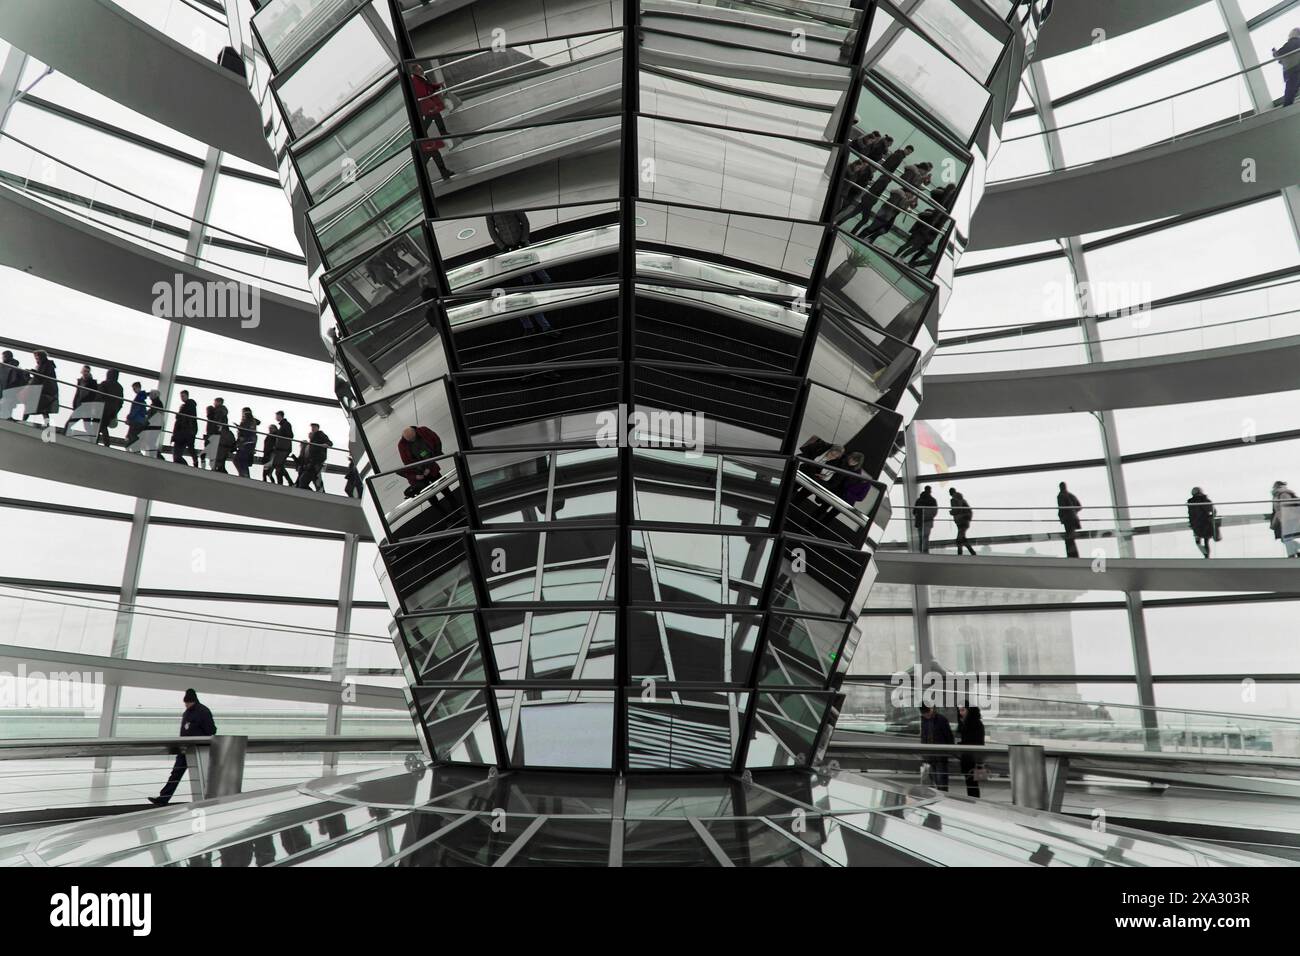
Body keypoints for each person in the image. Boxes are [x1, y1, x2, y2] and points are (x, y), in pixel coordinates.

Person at [148, 689, 217, 806]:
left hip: (198, 750)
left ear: (193, 701)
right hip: (185, 749)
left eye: (188, 703)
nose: (186, 705)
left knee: (202, 776)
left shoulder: (204, 712)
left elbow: (212, 730)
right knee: (175, 773)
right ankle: (163, 799)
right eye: (185, 703)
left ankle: (211, 799)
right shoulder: (187, 712)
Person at [397, 425, 443, 495]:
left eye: (413, 438)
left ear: (415, 432)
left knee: (442, 486)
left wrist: (429, 467)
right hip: (419, 472)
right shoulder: (401, 445)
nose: (412, 440)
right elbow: (406, 462)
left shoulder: (424, 431)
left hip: (431, 467)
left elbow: (436, 442)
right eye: (409, 440)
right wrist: (416, 475)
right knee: (428, 495)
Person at [919, 703, 953, 791]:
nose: (926, 715)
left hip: (940, 756)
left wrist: (948, 752)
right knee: (932, 782)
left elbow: (949, 737)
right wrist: (924, 755)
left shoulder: (941, 720)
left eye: (927, 713)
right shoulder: (924, 720)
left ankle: (943, 801)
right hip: (929, 757)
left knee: (941, 782)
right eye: (924, 714)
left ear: (931, 709)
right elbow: (923, 738)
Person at [957, 703, 986, 798]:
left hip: (972, 758)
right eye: (959, 710)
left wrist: (960, 744)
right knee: (971, 783)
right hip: (970, 757)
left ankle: (974, 801)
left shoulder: (974, 724)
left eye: (962, 710)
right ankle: (973, 801)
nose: (960, 713)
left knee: (972, 783)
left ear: (969, 710)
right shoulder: (967, 723)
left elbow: (973, 741)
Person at [24, 350, 59, 427]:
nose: (36, 358)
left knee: (33, 406)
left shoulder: (47, 364)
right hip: (43, 390)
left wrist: (32, 371)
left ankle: (23, 420)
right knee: (42, 408)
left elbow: (42, 376)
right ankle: (47, 424)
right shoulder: (43, 365)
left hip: (46, 390)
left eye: (37, 356)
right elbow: (39, 377)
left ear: (41, 356)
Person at [296, 423, 332, 491]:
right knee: (305, 481)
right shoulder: (312, 441)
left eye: (314, 427)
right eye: (312, 427)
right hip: (311, 463)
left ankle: (314, 494)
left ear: (317, 428)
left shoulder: (320, 434)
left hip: (315, 462)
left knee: (304, 481)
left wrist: (326, 444)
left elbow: (330, 443)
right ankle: (314, 493)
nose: (312, 428)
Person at [65, 365, 99, 435]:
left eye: (87, 372)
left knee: (85, 426)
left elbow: (92, 396)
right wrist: (74, 404)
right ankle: (64, 435)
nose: (86, 373)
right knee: (72, 423)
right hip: (80, 406)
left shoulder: (93, 383)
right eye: (85, 371)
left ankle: (92, 440)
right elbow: (77, 393)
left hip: (86, 407)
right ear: (82, 372)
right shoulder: (80, 381)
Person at [1271, 480, 1300, 557]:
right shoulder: (1278, 494)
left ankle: (1292, 554)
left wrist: (1284, 520)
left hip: (1288, 520)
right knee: (1286, 539)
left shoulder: (1283, 493)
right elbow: (1277, 510)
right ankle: (1294, 552)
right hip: (1286, 519)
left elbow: (1286, 508)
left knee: (1286, 538)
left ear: (1277, 486)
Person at [1273, 27, 1300, 107]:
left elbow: (1281, 53)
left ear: (1295, 33)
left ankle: (1287, 106)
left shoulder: (1294, 41)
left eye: (1290, 33)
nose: (1289, 35)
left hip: (1293, 70)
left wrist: (1275, 53)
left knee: (1290, 90)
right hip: (1295, 68)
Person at [1186, 486, 1216, 558]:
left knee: (1198, 542)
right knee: (1206, 541)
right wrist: (1211, 517)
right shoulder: (1205, 500)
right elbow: (1213, 511)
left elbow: (1190, 514)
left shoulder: (1191, 502)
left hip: (1196, 524)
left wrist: (1191, 523)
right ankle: (1206, 556)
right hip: (1206, 523)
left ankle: (1206, 555)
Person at [171, 390, 199, 466]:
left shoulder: (188, 406)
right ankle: (192, 463)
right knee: (182, 452)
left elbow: (180, 418)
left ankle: (185, 465)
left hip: (183, 433)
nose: (182, 398)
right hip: (184, 433)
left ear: (187, 396)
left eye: (183, 396)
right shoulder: (189, 406)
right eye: (181, 396)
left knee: (177, 454)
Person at [97, 369, 124, 447]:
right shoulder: (120, 387)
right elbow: (121, 402)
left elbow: (99, 396)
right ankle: (103, 443)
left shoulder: (104, 384)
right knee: (102, 426)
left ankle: (102, 442)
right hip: (113, 411)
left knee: (101, 426)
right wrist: (116, 411)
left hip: (103, 409)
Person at [1057, 481, 1082, 557]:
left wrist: (1061, 516)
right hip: (1074, 519)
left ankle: (1072, 555)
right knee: (1071, 537)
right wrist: (1074, 512)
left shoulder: (1061, 495)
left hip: (1068, 519)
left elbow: (1062, 508)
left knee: (1069, 538)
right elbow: (1079, 506)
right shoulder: (1071, 495)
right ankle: (1074, 555)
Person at [123, 381, 149, 449]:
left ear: (138, 387)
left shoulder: (139, 398)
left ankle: (132, 449)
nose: (134, 390)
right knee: (133, 436)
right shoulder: (142, 398)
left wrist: (129, 417)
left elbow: (135, 409)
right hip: (140, 421)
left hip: (135, 421)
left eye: (134, 389)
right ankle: (134, 449)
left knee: (130, 436)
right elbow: (144, 411)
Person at [234, 407, 260, 478]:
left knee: (238, 459)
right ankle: (245, 475)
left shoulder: (246, 420)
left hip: (246, 442)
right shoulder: (253, 421)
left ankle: (243, 474)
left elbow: (245, 431)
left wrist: (239, 428)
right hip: (251, 443)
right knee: (243, 460)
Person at [269, 411, 294, 485]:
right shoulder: (283, 425)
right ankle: (287, 482)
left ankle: (285, 482)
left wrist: (281, 439)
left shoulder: (286, 425)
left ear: (280, 416)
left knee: (278, 465)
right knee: (279, 465)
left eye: (277, 416)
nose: (276, 417)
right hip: (282, 448)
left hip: (283, 449)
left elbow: (290, 435)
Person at [949, 488, 975, 556]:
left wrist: (951, 512)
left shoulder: (954, 499)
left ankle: (960, 555)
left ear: (951, 492)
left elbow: (956, 510)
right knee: (962, 538)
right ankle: (972, 553)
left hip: (961, 520)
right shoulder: (962, 500)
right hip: (965, 520)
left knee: (959, 539)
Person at [203, 397, 228, 468]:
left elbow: (216, 423)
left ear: (219, 402)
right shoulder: (222, 411)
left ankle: (214, 467)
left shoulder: (219, 411)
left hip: (214, 434)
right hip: (218, 434)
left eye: (215, 402)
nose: (214, 404)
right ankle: (215, 467)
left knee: (213, 452)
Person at [913, 485, 938, 553]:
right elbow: (934, 512)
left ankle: (921, 551)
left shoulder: (919, 500)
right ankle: (925, 551)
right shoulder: (932, 500)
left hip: (919, 521)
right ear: (930, 491)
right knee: (925, 537)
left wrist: (918, 515)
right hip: (928, 521)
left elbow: (914, 511)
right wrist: (929, 516)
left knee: (921, 537)